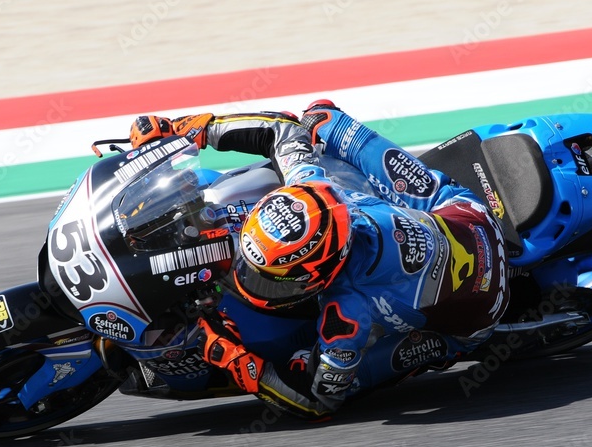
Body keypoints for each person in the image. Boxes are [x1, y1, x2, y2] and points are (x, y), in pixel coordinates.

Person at [128, 102, 509, 418]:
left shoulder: (348, 312)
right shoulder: (309, 186)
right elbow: (284, 131)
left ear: (321, 275)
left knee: (343, 377)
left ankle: (452, 344)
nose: (253, 279)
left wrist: (235, 360)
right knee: (321, 117)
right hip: (462, 211)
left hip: (476, 312)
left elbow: (318, 399)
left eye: (273, 279)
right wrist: (192, 130)